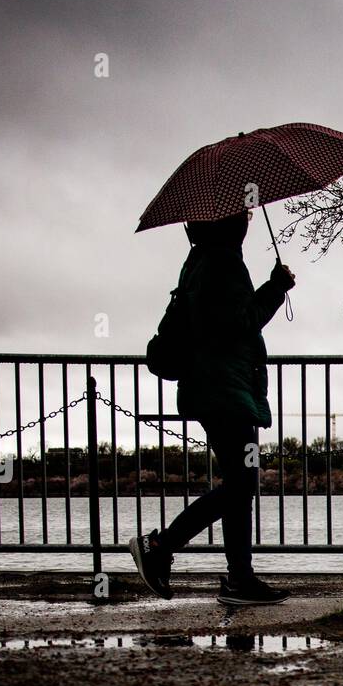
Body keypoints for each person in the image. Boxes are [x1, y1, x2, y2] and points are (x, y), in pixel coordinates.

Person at [130, 210, 295, 605]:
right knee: (242, 485)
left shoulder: (201, 260)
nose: (250, 219)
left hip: (218, 389)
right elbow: (237, 325)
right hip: (226, 391)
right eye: (245, 215)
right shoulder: (223, 263)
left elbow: (221, 323)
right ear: (229, 224)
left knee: (240, 487)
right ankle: (160, 546)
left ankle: (240, 579)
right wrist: (275, 289)